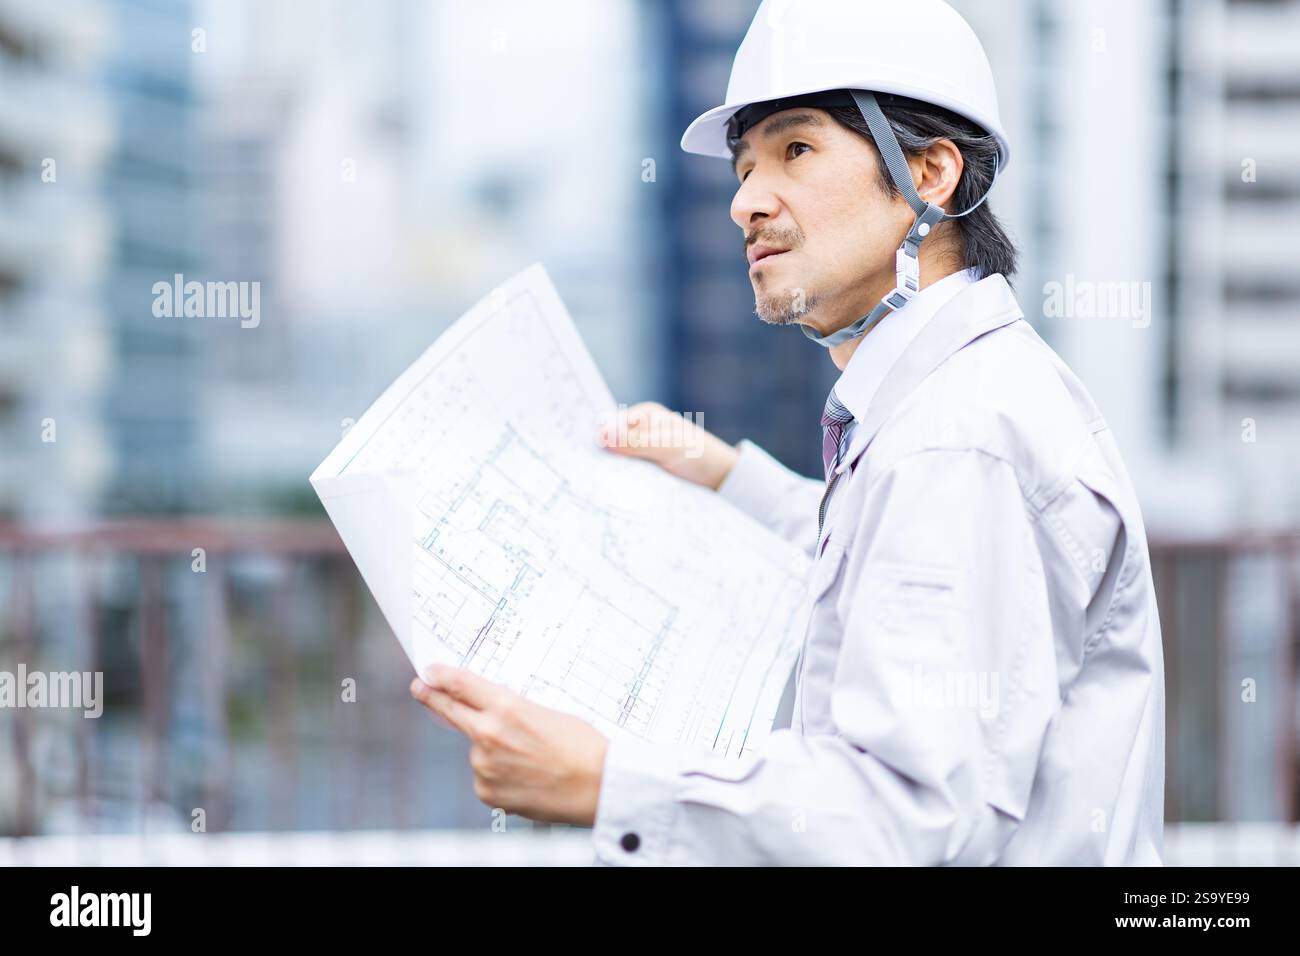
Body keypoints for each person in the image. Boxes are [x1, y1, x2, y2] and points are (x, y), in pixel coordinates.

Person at [411, 0, 1165, 865]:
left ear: (930, 174)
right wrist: (727, 476)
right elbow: (891, 565)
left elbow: (908, 814)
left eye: (795, 151)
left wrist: (606, 781)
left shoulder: (956, 443)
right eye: (743, 168)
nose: (745, 203)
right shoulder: (952, 406)